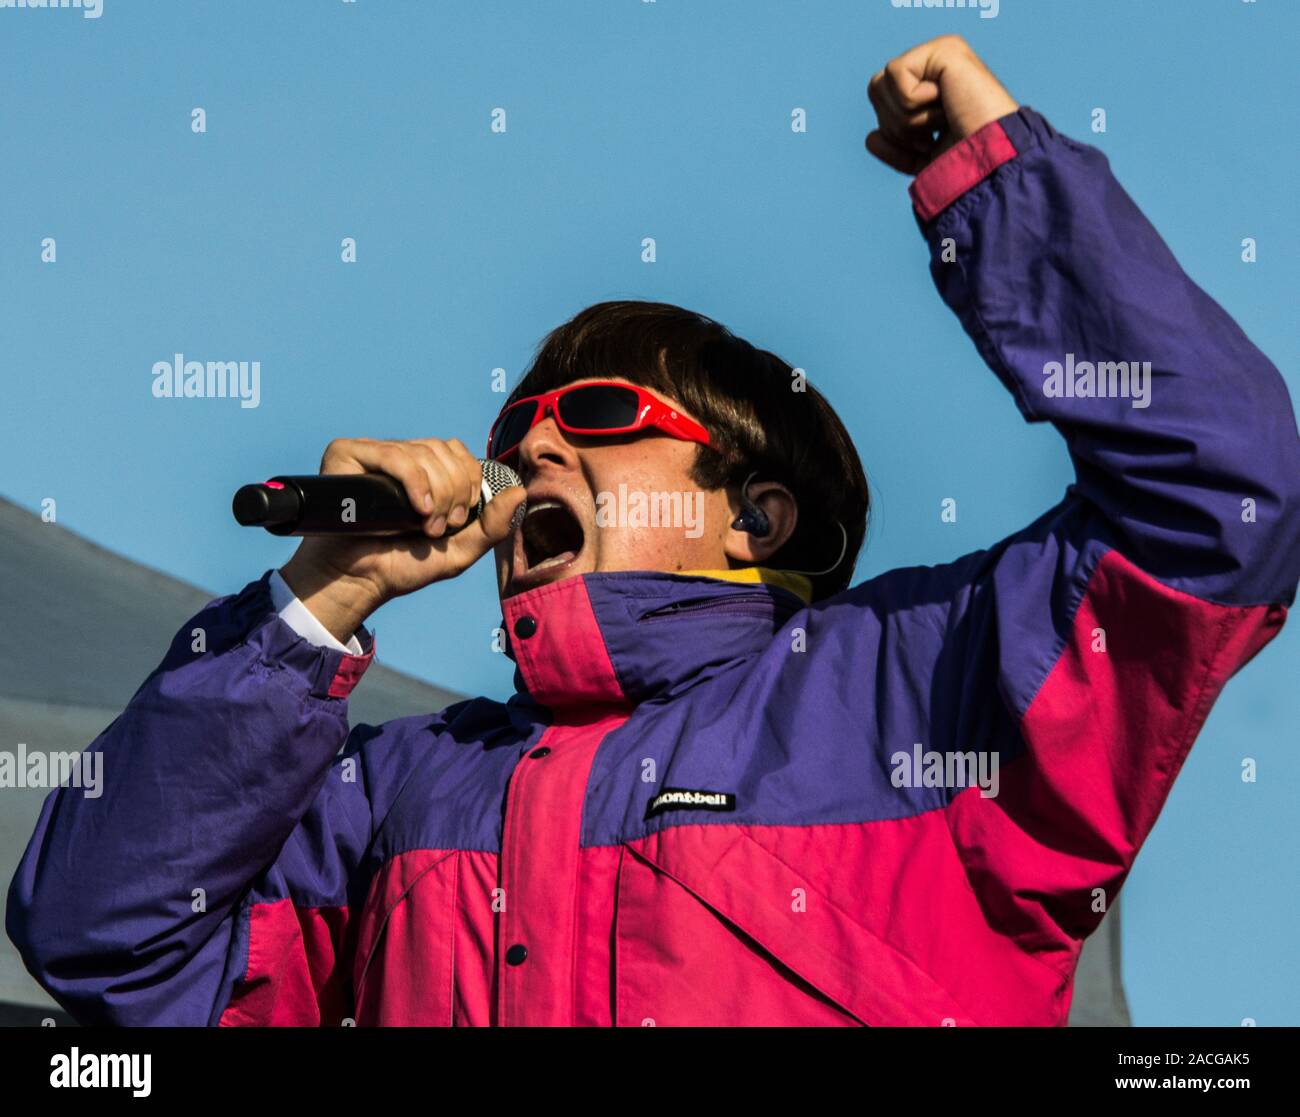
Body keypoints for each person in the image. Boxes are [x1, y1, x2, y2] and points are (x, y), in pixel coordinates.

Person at [8, 36, 1298, 1026]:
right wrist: (313, 605)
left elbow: (1220, 497)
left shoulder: (915, 690)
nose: (533, 450)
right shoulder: (392, 787)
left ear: (755, 510)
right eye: (517, 433)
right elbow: (106, 943)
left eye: (601, 413)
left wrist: (1000, 177)